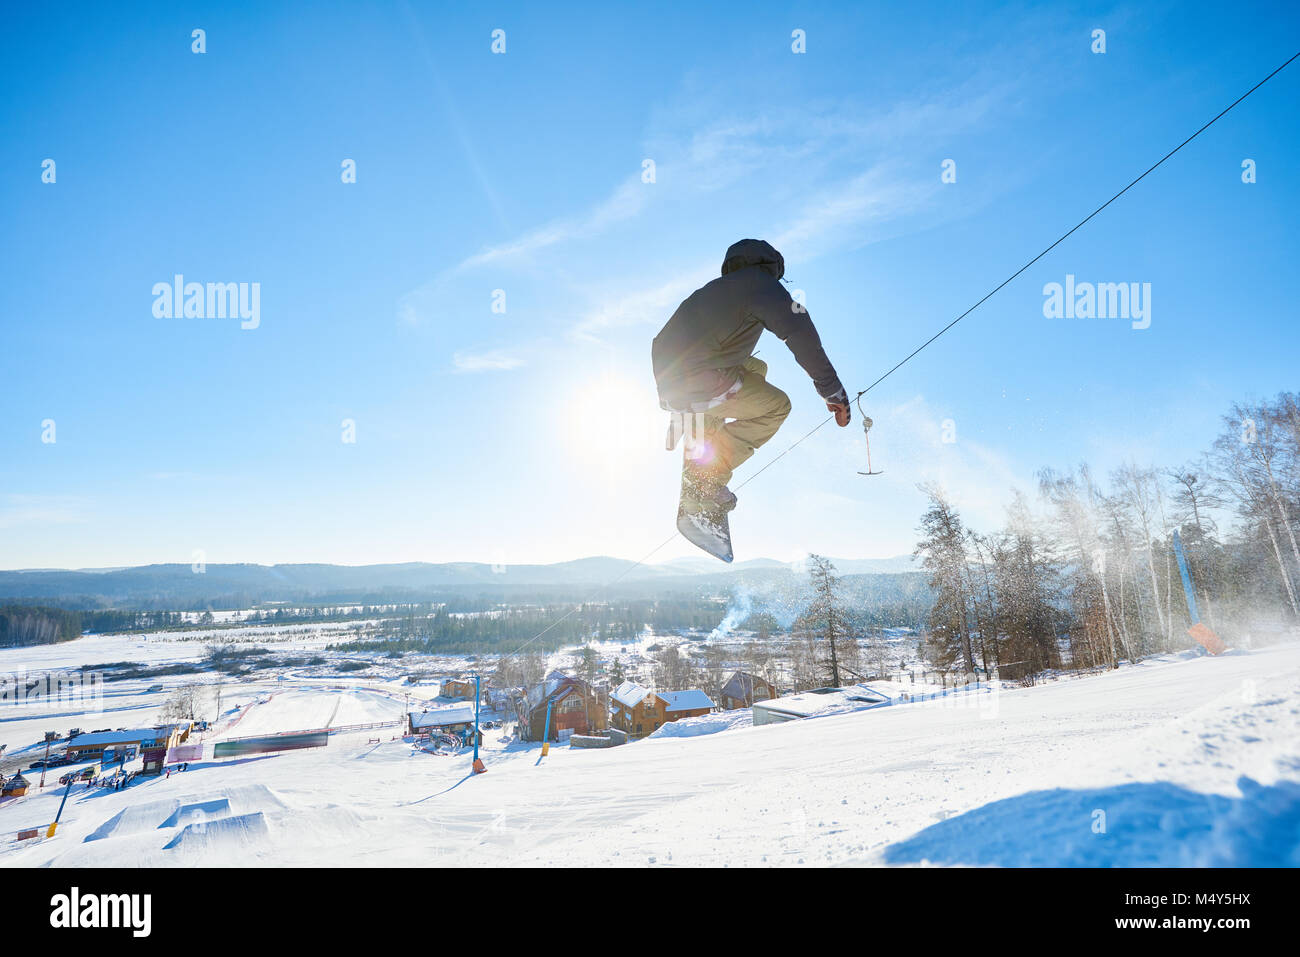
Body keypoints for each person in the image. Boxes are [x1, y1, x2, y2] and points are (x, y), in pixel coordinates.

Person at [652, 239, 851, 514]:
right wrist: (832, 389)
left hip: (672, 379)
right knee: (777, 407)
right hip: (702, 379)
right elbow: (799, 331)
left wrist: (677, 401)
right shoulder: (760, 284)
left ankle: (699, 432)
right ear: (770, 267)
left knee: (757, 369)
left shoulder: (712, 290)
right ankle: (707, 479)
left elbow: (670, 342)